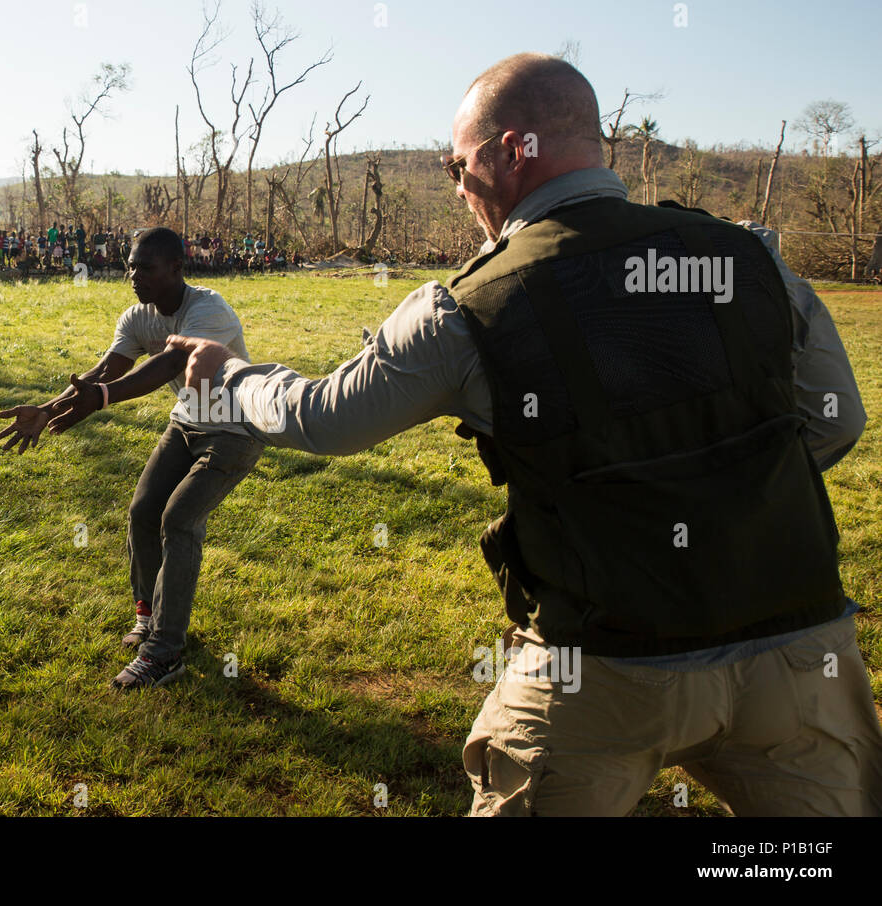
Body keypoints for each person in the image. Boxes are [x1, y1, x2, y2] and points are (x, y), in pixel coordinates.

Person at [166, 53, 881, 816]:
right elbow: (836, 420)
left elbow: (324, 418)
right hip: (801, 651)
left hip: (601, 666)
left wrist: (232, 376)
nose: (457, 185)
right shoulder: (752, 256)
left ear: (510, 152)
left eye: (457, 164)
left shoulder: (465, 308)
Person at [0, 227, 264, 690]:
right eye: (130, 265)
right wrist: (46, 409)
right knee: (143, 512)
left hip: (235, 428)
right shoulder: (137, 316)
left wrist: (99, 400)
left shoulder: (208, 309)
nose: (132, 275)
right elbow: (105, 371)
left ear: (177, 269)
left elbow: (165, 367)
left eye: (145, 267)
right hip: (188, 422)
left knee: (178, 521)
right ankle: (147, 615)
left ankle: (164, 653)